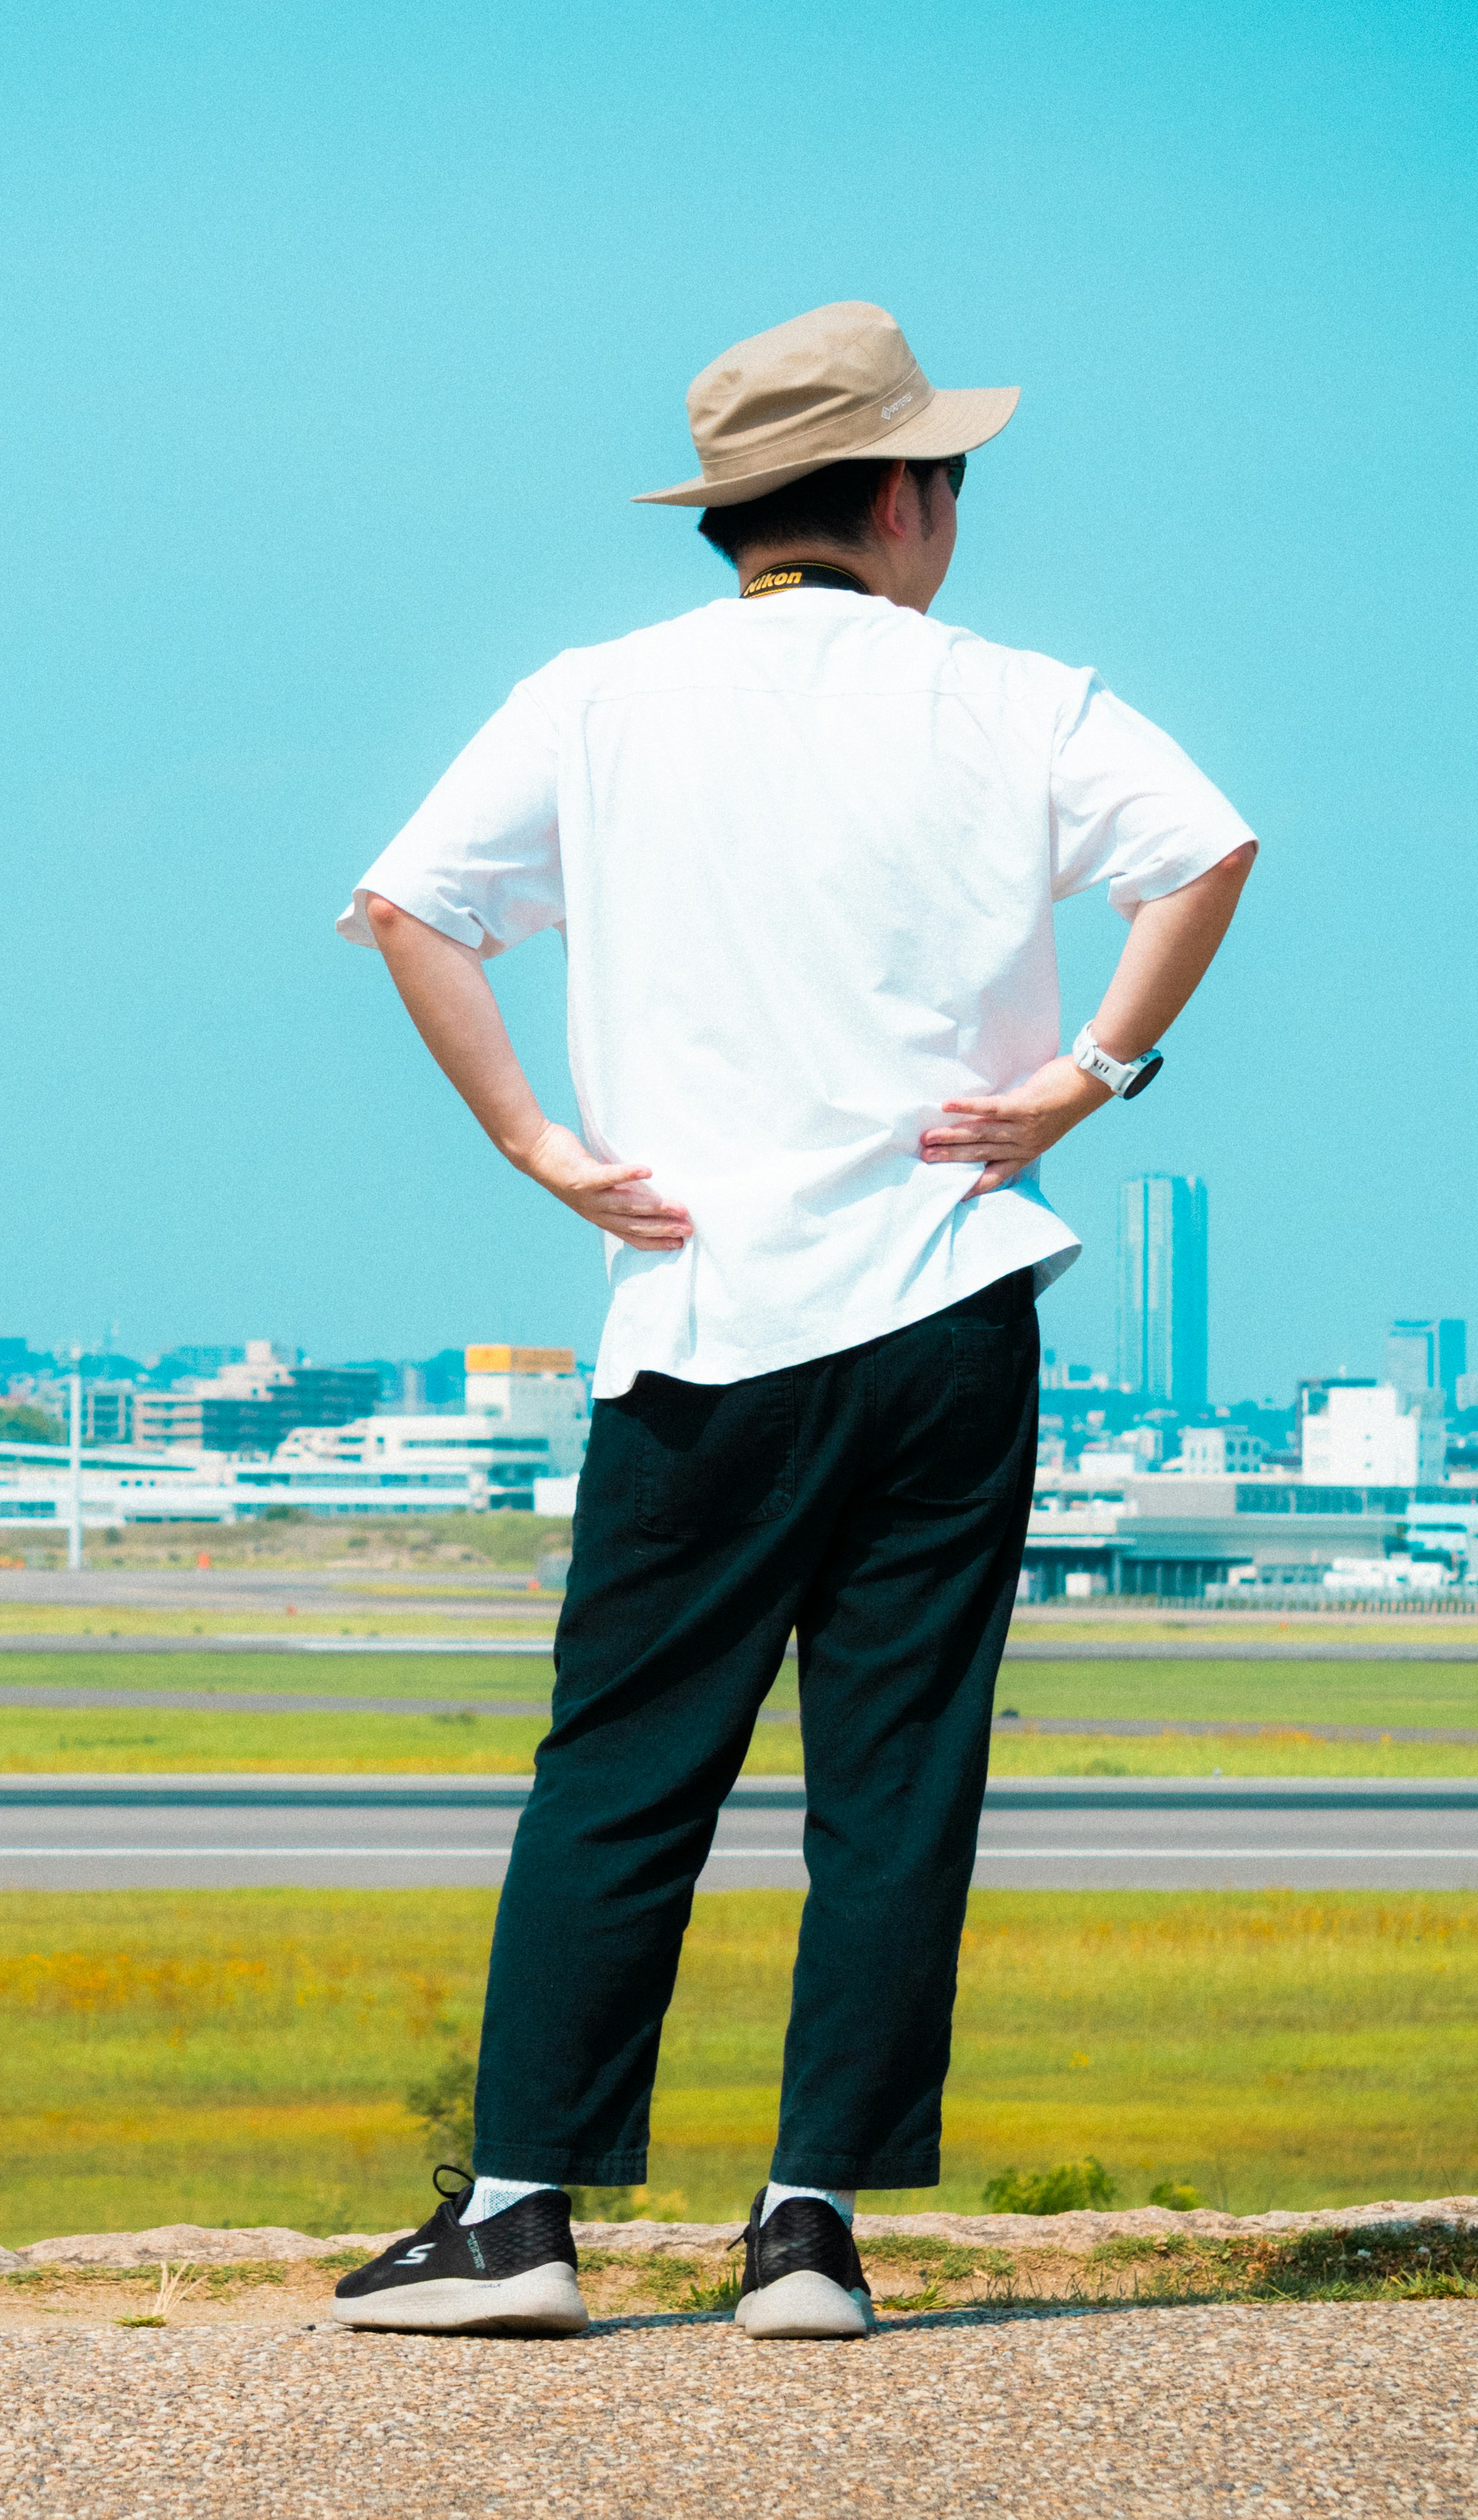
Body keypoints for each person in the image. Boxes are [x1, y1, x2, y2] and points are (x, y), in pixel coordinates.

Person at [327, 301, 1256, 2339]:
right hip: (947, 1292)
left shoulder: (595, 699)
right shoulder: (1015, 698)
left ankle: (516, 2221)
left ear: (735, 511)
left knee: (626, 1767)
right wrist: (1083, 1080)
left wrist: (538, 1146)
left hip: (697, 1302)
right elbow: (1207, 852)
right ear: (909, 498)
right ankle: (810, 2228)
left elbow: (408, 907)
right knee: (898, 1776)